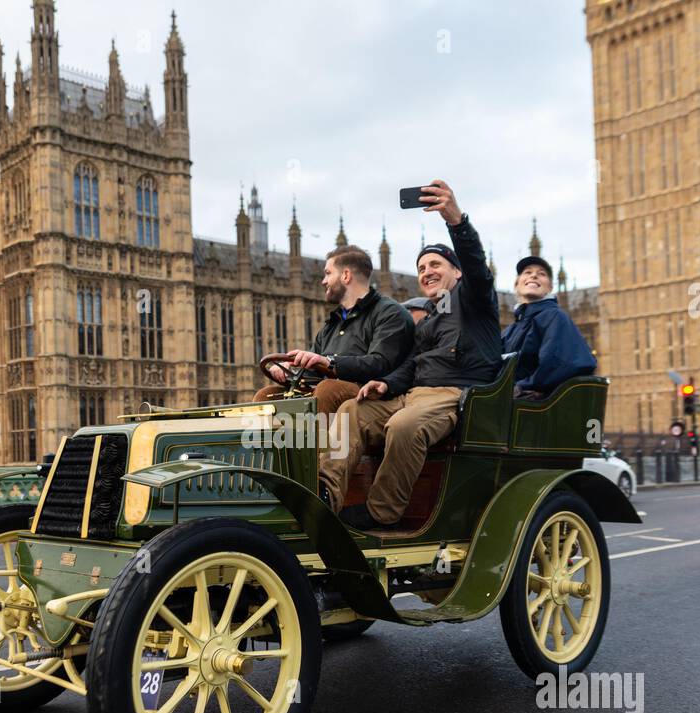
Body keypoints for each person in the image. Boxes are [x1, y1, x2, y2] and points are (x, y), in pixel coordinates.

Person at [318, 180, 504, 531]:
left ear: (457, 271)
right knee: (350, 411)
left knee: (404, 426)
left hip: (454, 397)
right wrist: (385, 385)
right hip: (411, 396)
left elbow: (477, 265)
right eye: (421, 268)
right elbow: (412, 365)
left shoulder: (475, 300)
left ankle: (381, 512)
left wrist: (456, 221)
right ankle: (325, 496)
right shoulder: (432, 316)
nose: (427, 272)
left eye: (436, 264)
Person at [251, 246, 413, 416]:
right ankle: (271, 443)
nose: (323, 281)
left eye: (328, 273)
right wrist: (289, 369)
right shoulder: (332, 324)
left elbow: (380, 364)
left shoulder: (390, 312)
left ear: (346, 275)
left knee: (328, 389)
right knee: (266, 396)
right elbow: (313, 369)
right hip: (328, 394)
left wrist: (330, 362)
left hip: (375, 395)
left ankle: (320, 443)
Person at [501, 257, 596, 400]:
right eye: (527, 272)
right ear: (516, 284)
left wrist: (522, 387)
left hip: (530, 406)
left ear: (550, 288)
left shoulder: (555, 316)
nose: (533, 275)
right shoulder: (510, 330)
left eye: (542, 274)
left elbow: (560, 362)